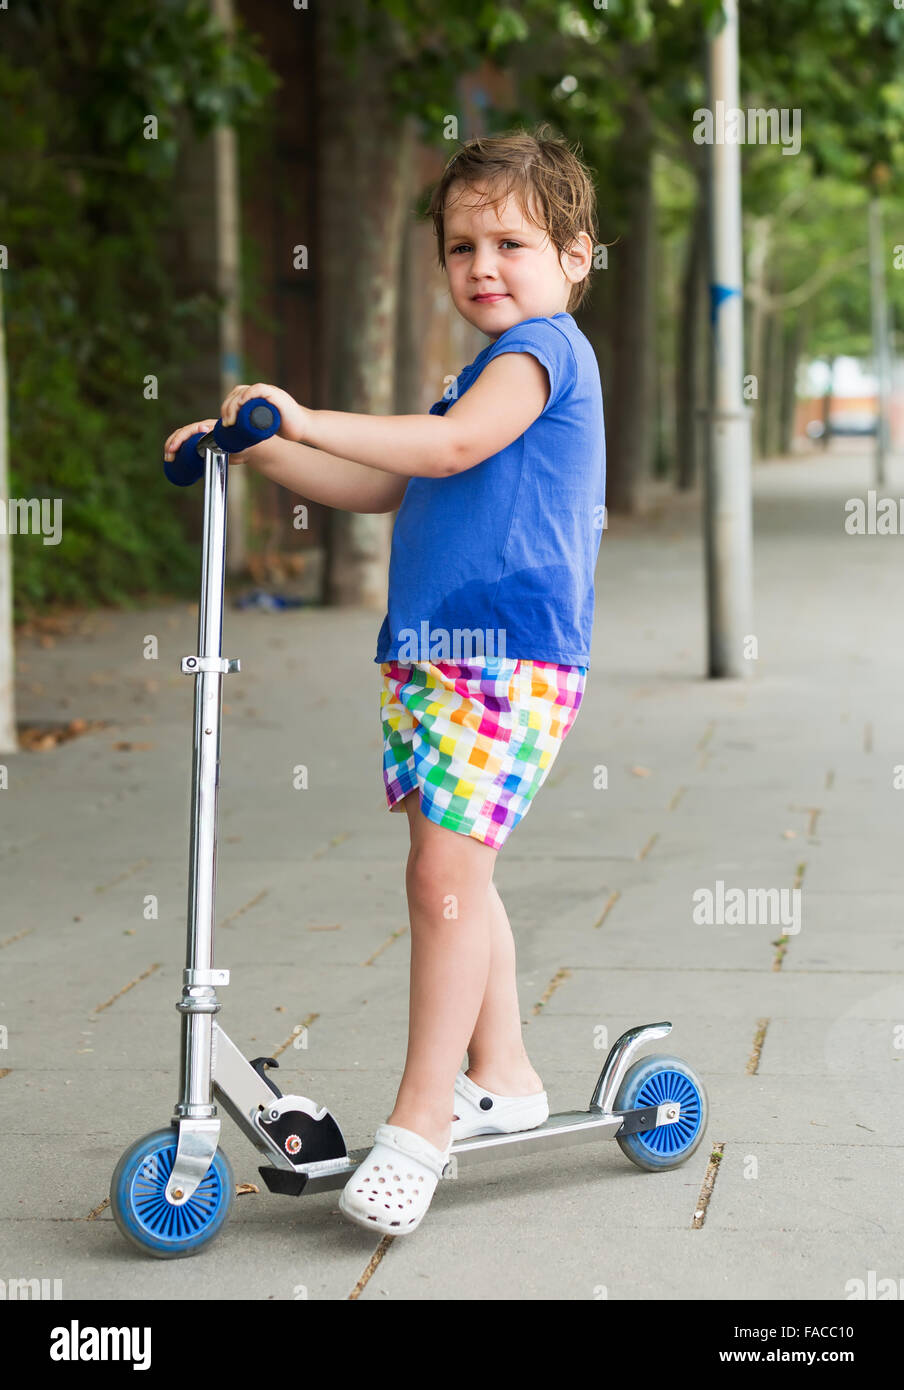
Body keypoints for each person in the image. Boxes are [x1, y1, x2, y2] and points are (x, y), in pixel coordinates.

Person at [164, 123, 606, 1236]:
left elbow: (447, 451)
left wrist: (308, 412)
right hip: (431, 662)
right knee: (456, 870)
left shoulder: (540, 354)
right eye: (461, 248)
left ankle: (421, 1123)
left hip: (505, 661)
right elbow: (385, 489)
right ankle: (502, 1076)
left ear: (576, 257)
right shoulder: (474, 374)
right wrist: (259, 445)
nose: (483, 266)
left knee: (441, 880)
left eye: (510, 241)